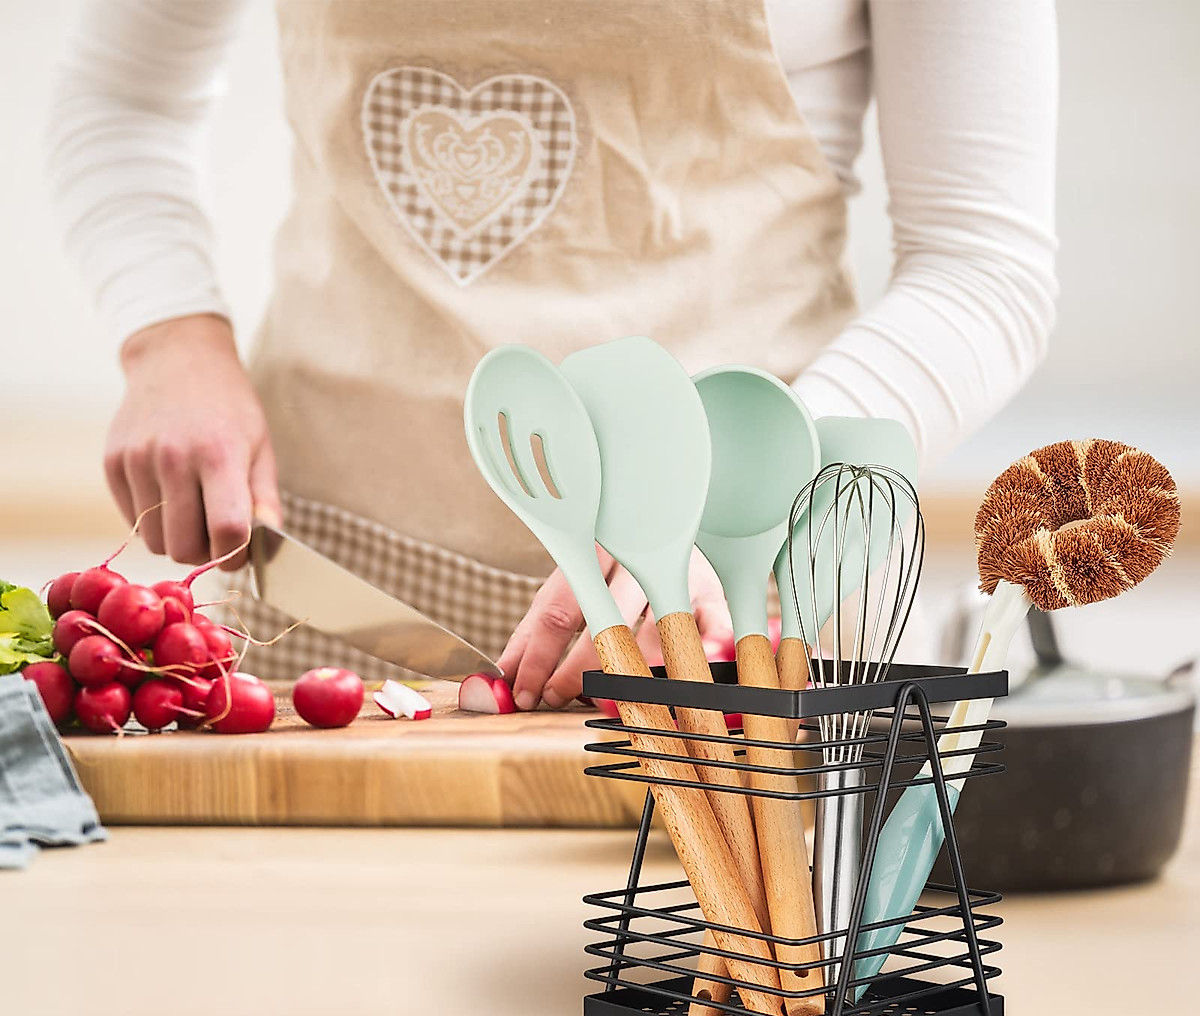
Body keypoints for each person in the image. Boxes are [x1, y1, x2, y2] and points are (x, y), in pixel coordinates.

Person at [47, 0, 1058, 708]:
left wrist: (747, 505)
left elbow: (983, 264)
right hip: (335, 578)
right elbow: (120, 99)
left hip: (742, 584)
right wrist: (169, 331)